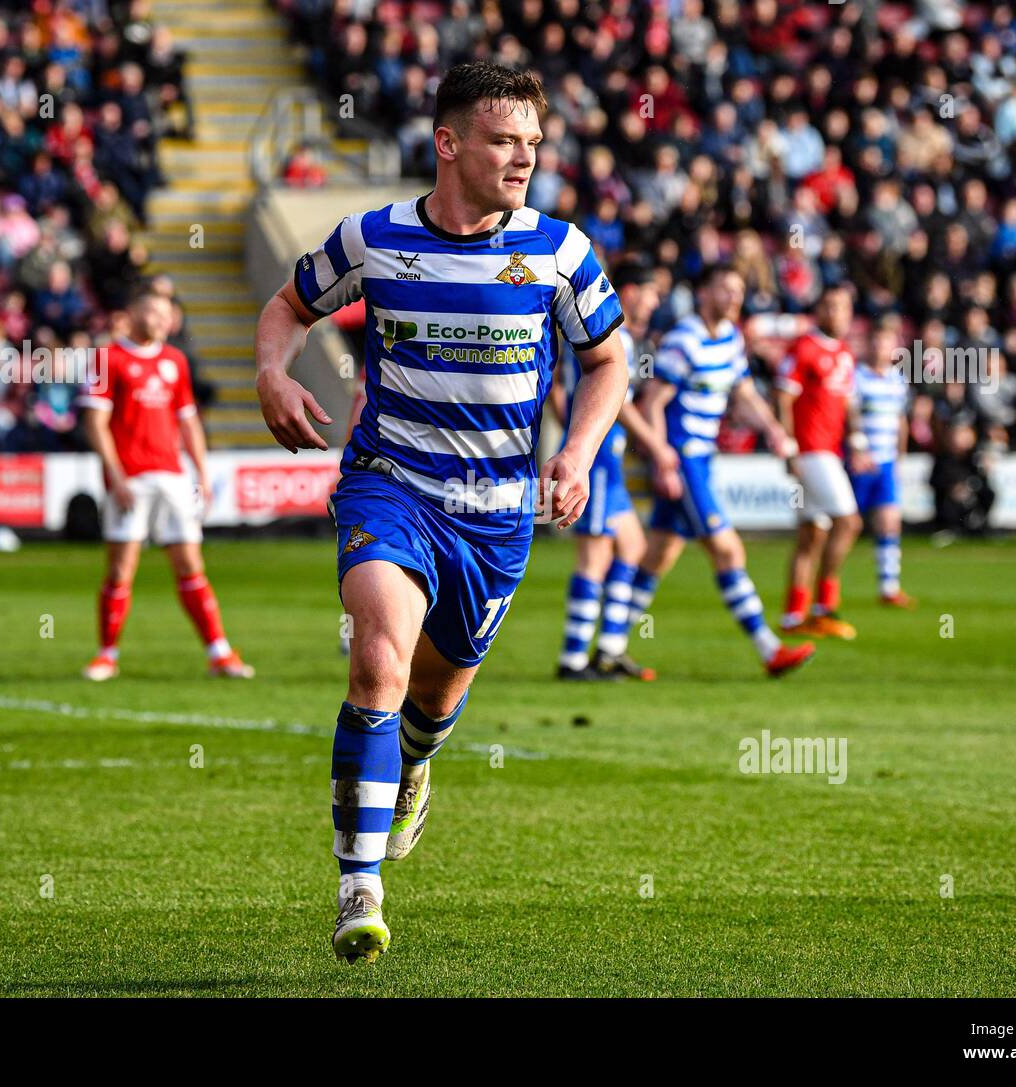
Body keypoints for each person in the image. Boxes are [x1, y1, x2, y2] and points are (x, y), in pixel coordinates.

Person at [253, 62, 628, 963]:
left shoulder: (560, 251)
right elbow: (287, 306)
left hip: (496, 517)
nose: (524, 158)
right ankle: (358, 885)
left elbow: (610, 360)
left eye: (534, 143)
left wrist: (573, 454)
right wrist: (272, 369)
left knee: (430, 700)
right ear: (449, 143)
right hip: (391, 484)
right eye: (505, 140)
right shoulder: (372, 239)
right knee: (377, 656)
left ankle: (415, 761)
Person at [617, 264, 816, 678]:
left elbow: (744, 394)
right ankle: (769, 648)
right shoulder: (684, 339)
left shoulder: (729, 339)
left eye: (739, 290)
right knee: (728, 550)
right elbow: (652, 402)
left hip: (702, 459)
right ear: (704, 293)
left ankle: (610, 645)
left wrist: (776, 432)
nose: (734, 298)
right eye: (725, 289)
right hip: (684, 458)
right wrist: (663, 460)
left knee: (660, 554)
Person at [77, 288, 254, 682]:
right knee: (122, 568)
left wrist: (202, 474)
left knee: (191, 564)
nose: (160, 319)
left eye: (165, 313)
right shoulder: (108, 358)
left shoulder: (175, 361)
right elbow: (96, 423)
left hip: (173, 477)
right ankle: (107, 654)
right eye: (152, 311)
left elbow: (188, 421)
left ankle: (219, 652)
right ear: (132, 312)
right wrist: (116, 476)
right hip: (131, 479)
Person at [549, 262, 677, 681]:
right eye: (649, 291)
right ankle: (572, 660)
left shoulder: (623, 336)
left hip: (609, 458)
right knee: (594, 557)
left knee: (632, 547)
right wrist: (657, 446)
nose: (655, 300)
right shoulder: (612, 333)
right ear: (628, 291)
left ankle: (609, 649)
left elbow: (560, 387)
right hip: (598, 460)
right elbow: (616, 402)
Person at [775, 286, 864, 640]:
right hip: (811, 451)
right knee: (850, 522)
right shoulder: (804, 348)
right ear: (819, 310)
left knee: (812, 535)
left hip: (831, 449)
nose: (836, 312)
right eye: (829, 305)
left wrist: (858, 442)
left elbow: (848, 402)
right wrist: (789, 446)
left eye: (842, 306)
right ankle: (825, 606)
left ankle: (793, 615)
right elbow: (782, 397)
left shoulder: (844, 352)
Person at [847, 320, 916, 608]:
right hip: (858, 462)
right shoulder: (855, 377)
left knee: (890, 522)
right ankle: (823, 586)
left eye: (887, 342)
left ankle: (889, 588)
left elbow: (901, 422)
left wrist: (900, 458)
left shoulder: (898, 380)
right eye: (876, 341)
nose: (880, 347)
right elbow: (847, 415)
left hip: (886, 462)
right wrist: (855, 449)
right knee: (844, 526)